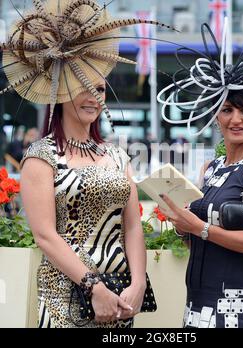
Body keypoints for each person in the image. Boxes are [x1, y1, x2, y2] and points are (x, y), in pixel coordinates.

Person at [0, 0, 170, 328]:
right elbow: (45, 235)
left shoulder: (119, 156)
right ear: (61, 92)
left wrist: (137, 283)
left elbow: (132, 225)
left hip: (119, 299)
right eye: (84, 87)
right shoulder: (41, 156)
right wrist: (93, 286)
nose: (94, 96)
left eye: (101, 88)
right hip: (65, 298)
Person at [156, 21, 243, 328]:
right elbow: (200, 240)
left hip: (235, 306)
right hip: (196, 301)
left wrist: (201, 227)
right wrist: (182, 225)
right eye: (227, 109)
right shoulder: (210, 168)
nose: (236, 119)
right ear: (216, 114)